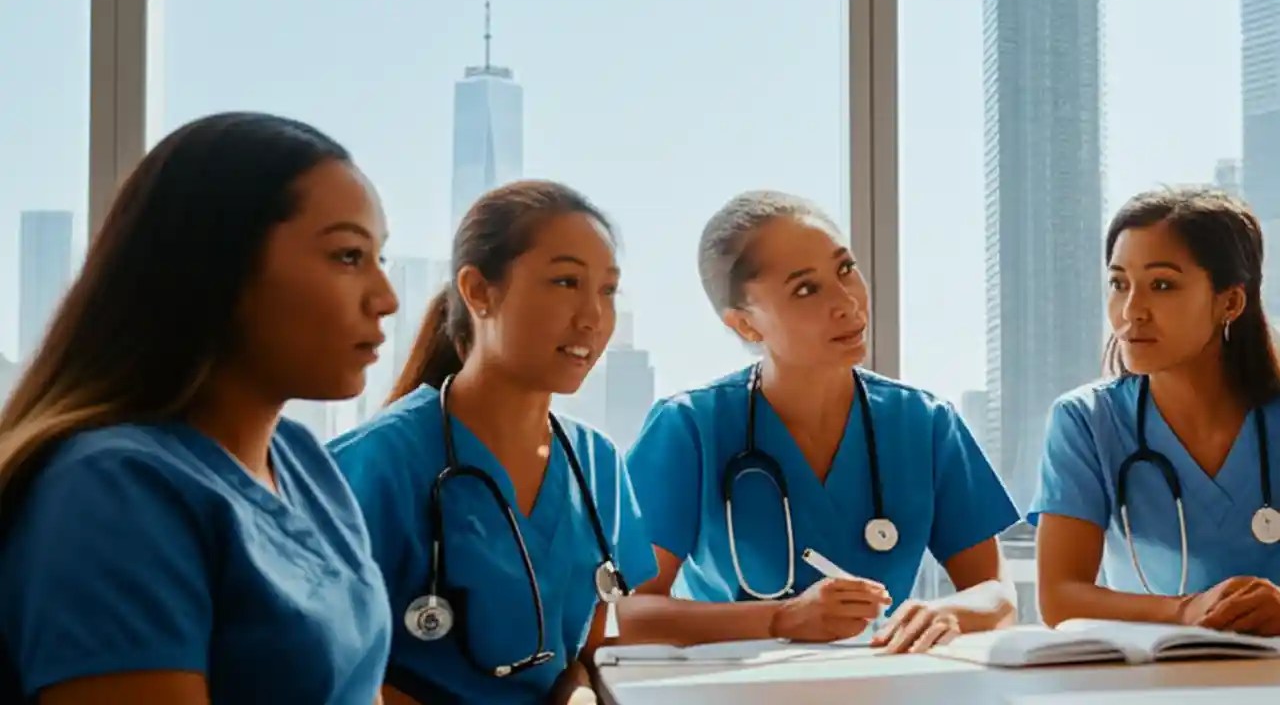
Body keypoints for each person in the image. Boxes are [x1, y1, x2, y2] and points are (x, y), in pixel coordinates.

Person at [0, 112, 398, 704]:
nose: (385, 300)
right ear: (220, 266)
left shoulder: (303, 461)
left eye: (380, 260)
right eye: (347, 256)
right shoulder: (113, 493)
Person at [618, 190, 1019, 654]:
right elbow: (627, 614)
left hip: (884, 685)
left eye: (845, 269)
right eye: (806, 289)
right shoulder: (689, 429)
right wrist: (782, 618)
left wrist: (949, 611)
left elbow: (997, 593)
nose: (847, 303)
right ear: (745, 325)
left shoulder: (924, 424)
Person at [329, 180, 657, 705]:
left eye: (607, 290)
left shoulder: (596, 462)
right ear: (479, 291)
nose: (593, 317)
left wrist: (579, 697)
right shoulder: (374, 464)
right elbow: (331, 672)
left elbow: (586, 651)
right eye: (566, 282)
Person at [1032, 188, 1280, 634]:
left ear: (1230, 302)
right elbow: (1060, 596)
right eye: (1118, 283)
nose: (1131, 311)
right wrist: (1186, 611)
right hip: (1149, 687)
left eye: (1162, 285)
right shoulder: (1087, 421)